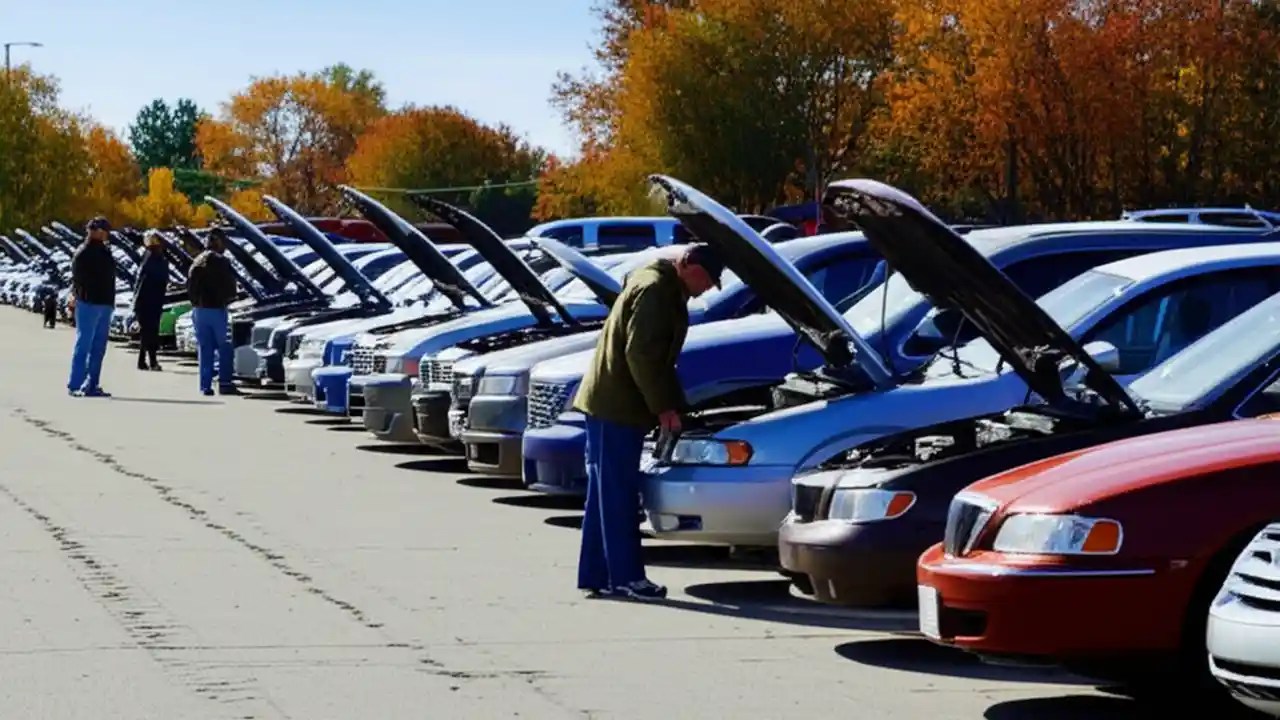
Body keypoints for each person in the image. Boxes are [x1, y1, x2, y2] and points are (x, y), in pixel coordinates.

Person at [572, 243, 724, 600]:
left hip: (610, 403)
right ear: (686, 263)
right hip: (616, 405)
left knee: (605, 492)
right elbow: (643, 355)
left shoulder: (661, 282)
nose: (706, 287)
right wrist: (664, 408)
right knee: (619, 494)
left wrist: (672, 403)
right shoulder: (656, 289)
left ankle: (599, 573)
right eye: (705, 278)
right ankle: (626, 577)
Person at [66, 217, 117, 397]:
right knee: (84, 344)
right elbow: (77, 280)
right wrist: (76, 297)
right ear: (93, 231)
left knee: (99, 347)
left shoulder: (105, 251)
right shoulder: (83, 253)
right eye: (101, 230)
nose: (104, 234)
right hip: (88, 303)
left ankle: (91, 384)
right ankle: (76, 384)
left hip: (105, 304)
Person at [187, 229, 240, 396]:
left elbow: (189, 286)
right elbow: (231, 287)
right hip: (216, 310)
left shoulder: (197, 262)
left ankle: (205, 385)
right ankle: (224, 382)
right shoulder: (222, 262)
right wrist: (229, 298)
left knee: (205, 349)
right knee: (224, 347)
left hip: (199, 311)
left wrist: (195, 302)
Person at [133, 231, 171, 371]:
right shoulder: (155, 259)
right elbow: (156, 279)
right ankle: (152, 361)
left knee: (146, 332)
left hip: (146, 300)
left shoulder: (147, 257)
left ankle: (142, 360)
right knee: (150, 332)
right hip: (150, 301)